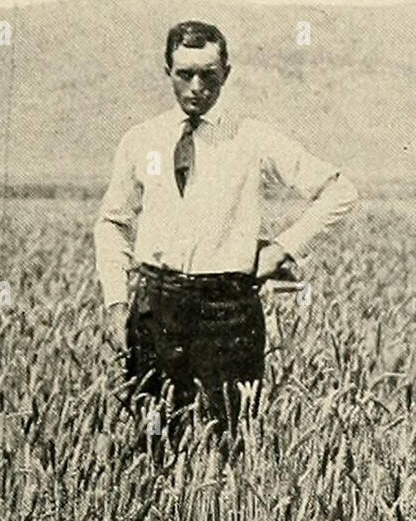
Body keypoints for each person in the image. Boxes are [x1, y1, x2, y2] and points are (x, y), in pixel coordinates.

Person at [94, 19, 358, 455]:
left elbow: (340, 191)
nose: (197, 86)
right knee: (152, 445)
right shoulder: (142, 140)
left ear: (226, 74)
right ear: (167, 71)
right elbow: (112, 222)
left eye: (209, 75)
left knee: (228, 447)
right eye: (185, 74)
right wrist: (116, 301)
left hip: (227, 309)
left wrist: (282, 249)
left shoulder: (254, 139)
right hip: (154, 307)